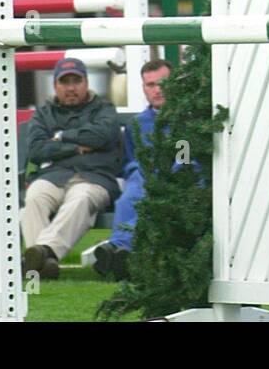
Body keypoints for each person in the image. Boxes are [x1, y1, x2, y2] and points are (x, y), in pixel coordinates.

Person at [21, 58, 124, 279]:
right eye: (64, 82)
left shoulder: (103, 109)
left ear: (86, 83)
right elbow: (36, 150)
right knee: (34, 197)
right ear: (55, 86)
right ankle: (44, 265)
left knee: (81, 199)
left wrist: (61, 136)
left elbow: (101, 136)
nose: (70, 88)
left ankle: (43, 254)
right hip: (53, 176)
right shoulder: (44, 113)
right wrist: (76, 148)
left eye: (76, 81)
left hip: (94, 178)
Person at [92, 58, 172, 281]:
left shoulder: (185, 120)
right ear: (144, 88)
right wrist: (141, 169)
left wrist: (169, 169)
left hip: (176, 179)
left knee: (150, 196)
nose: (158, 90)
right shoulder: (137, 124)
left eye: (163, 83)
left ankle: (117, 248)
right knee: (129, 196)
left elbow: (184, 157)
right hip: (144, 177)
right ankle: (121, 253)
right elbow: (130, 159)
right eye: (151, 85)